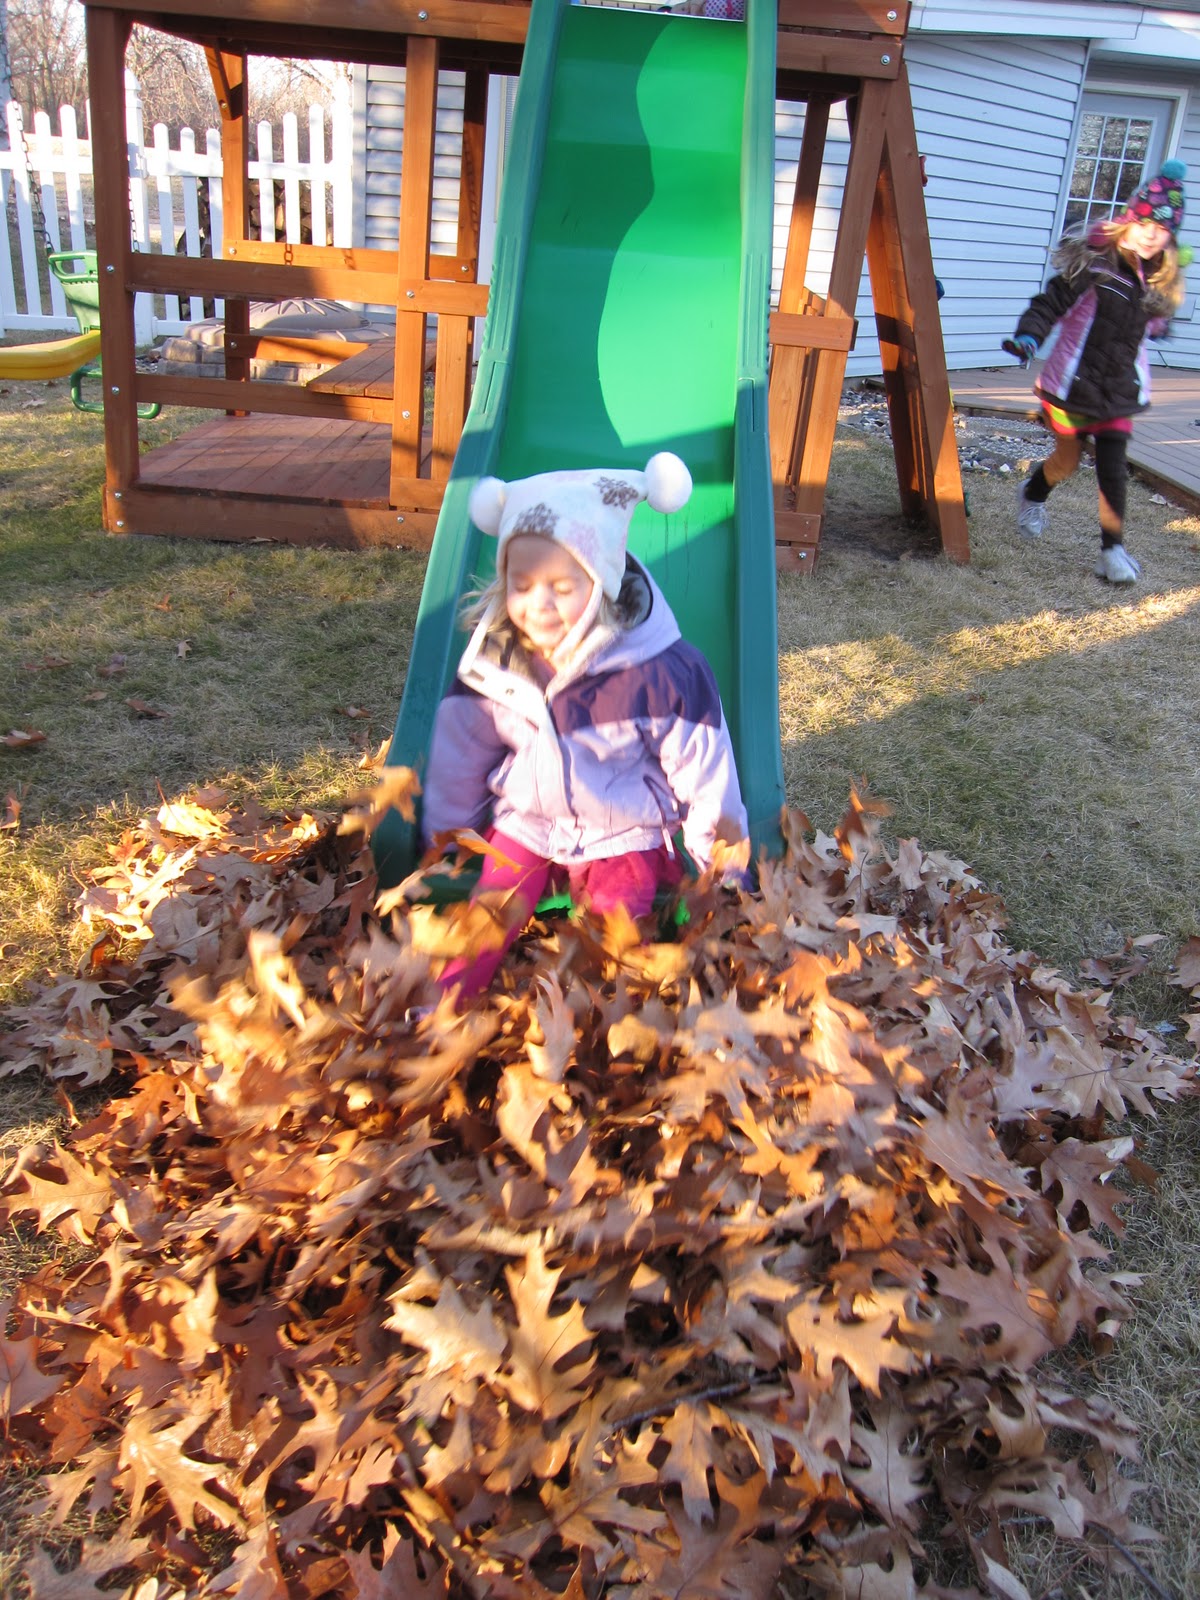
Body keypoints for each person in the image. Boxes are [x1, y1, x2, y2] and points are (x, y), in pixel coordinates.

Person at [420, 453, 749, 1001]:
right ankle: (440, 1009)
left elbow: (703, 763)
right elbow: (462, 749)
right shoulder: (498, 662)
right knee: (487, 915)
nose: (538, 604)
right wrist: (449, 832)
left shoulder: (656, 670)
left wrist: (719, 852)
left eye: (561, 587)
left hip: (621, 828)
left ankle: (610, 1020)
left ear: (599, 584)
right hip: (527, 822)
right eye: (520, 585)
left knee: (615, 931)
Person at [1004, 160, 1187, 584]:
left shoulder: (1154, 280)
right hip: (1072, 385)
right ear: (1129, 219)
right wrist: (1030, 336)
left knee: (1112, 465)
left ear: (1169, 237)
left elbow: (1149, 326)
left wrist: (1159, 320)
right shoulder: (1095, 265)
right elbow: (1048, 304)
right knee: (1066, 463)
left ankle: (1111, 550)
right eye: (1144, 223)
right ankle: (1032, 494)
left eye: (1161, 230)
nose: (1150, 234)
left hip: (1119, 388)